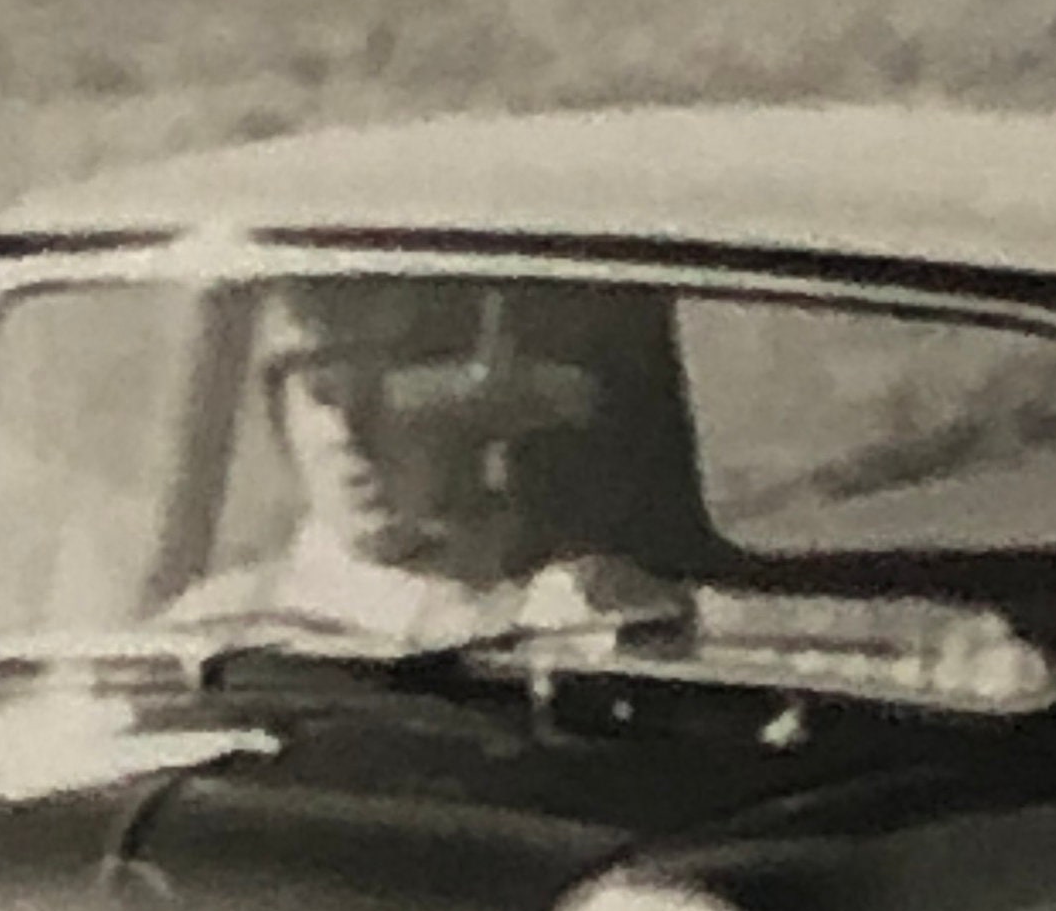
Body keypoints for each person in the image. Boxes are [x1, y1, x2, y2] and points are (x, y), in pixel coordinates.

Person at [163, 277, 689, 650]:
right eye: (324, 395)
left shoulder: (585, 611)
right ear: (281, 422)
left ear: (462, 411)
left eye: (388, 395)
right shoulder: (213, 632)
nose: (351, 431)